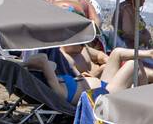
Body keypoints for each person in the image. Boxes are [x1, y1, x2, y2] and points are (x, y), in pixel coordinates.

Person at [24, 44, 153, 103]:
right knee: (134, 64)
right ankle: (142, 109)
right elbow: (42, 59)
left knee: (117, 52)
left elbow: (45, 62)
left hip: (102, 85)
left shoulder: (59, 81)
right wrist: (23, 64)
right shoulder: (58, 90)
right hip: (104, 95)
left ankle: (149, 53)